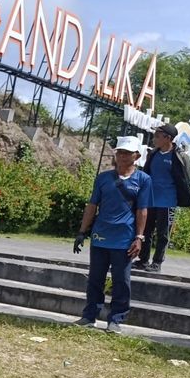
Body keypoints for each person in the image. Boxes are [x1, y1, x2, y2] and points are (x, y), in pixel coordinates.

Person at [72, 136, 152, 333]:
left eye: (127, 153)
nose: (122, 156)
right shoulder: (103, 178)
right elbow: (92, 205)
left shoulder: (143, 180)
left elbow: (143, 210)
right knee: (95, 279)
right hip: (101, 235)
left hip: (125, 238)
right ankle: (89, 315)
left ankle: (116, 319)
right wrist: (82, 231)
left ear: (137, 156)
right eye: (119, 152)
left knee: (121, 281)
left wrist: (139, 238)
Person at [139, 122, 190, 273]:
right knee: (145, 231)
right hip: (150, 199)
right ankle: (143, 260)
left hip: (168, 201)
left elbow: (185, 180)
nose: (154, 139)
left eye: (157, 136)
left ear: (168, 138)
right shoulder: (153, 154)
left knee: (163, 233)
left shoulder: (179, 157)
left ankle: (157, 262)